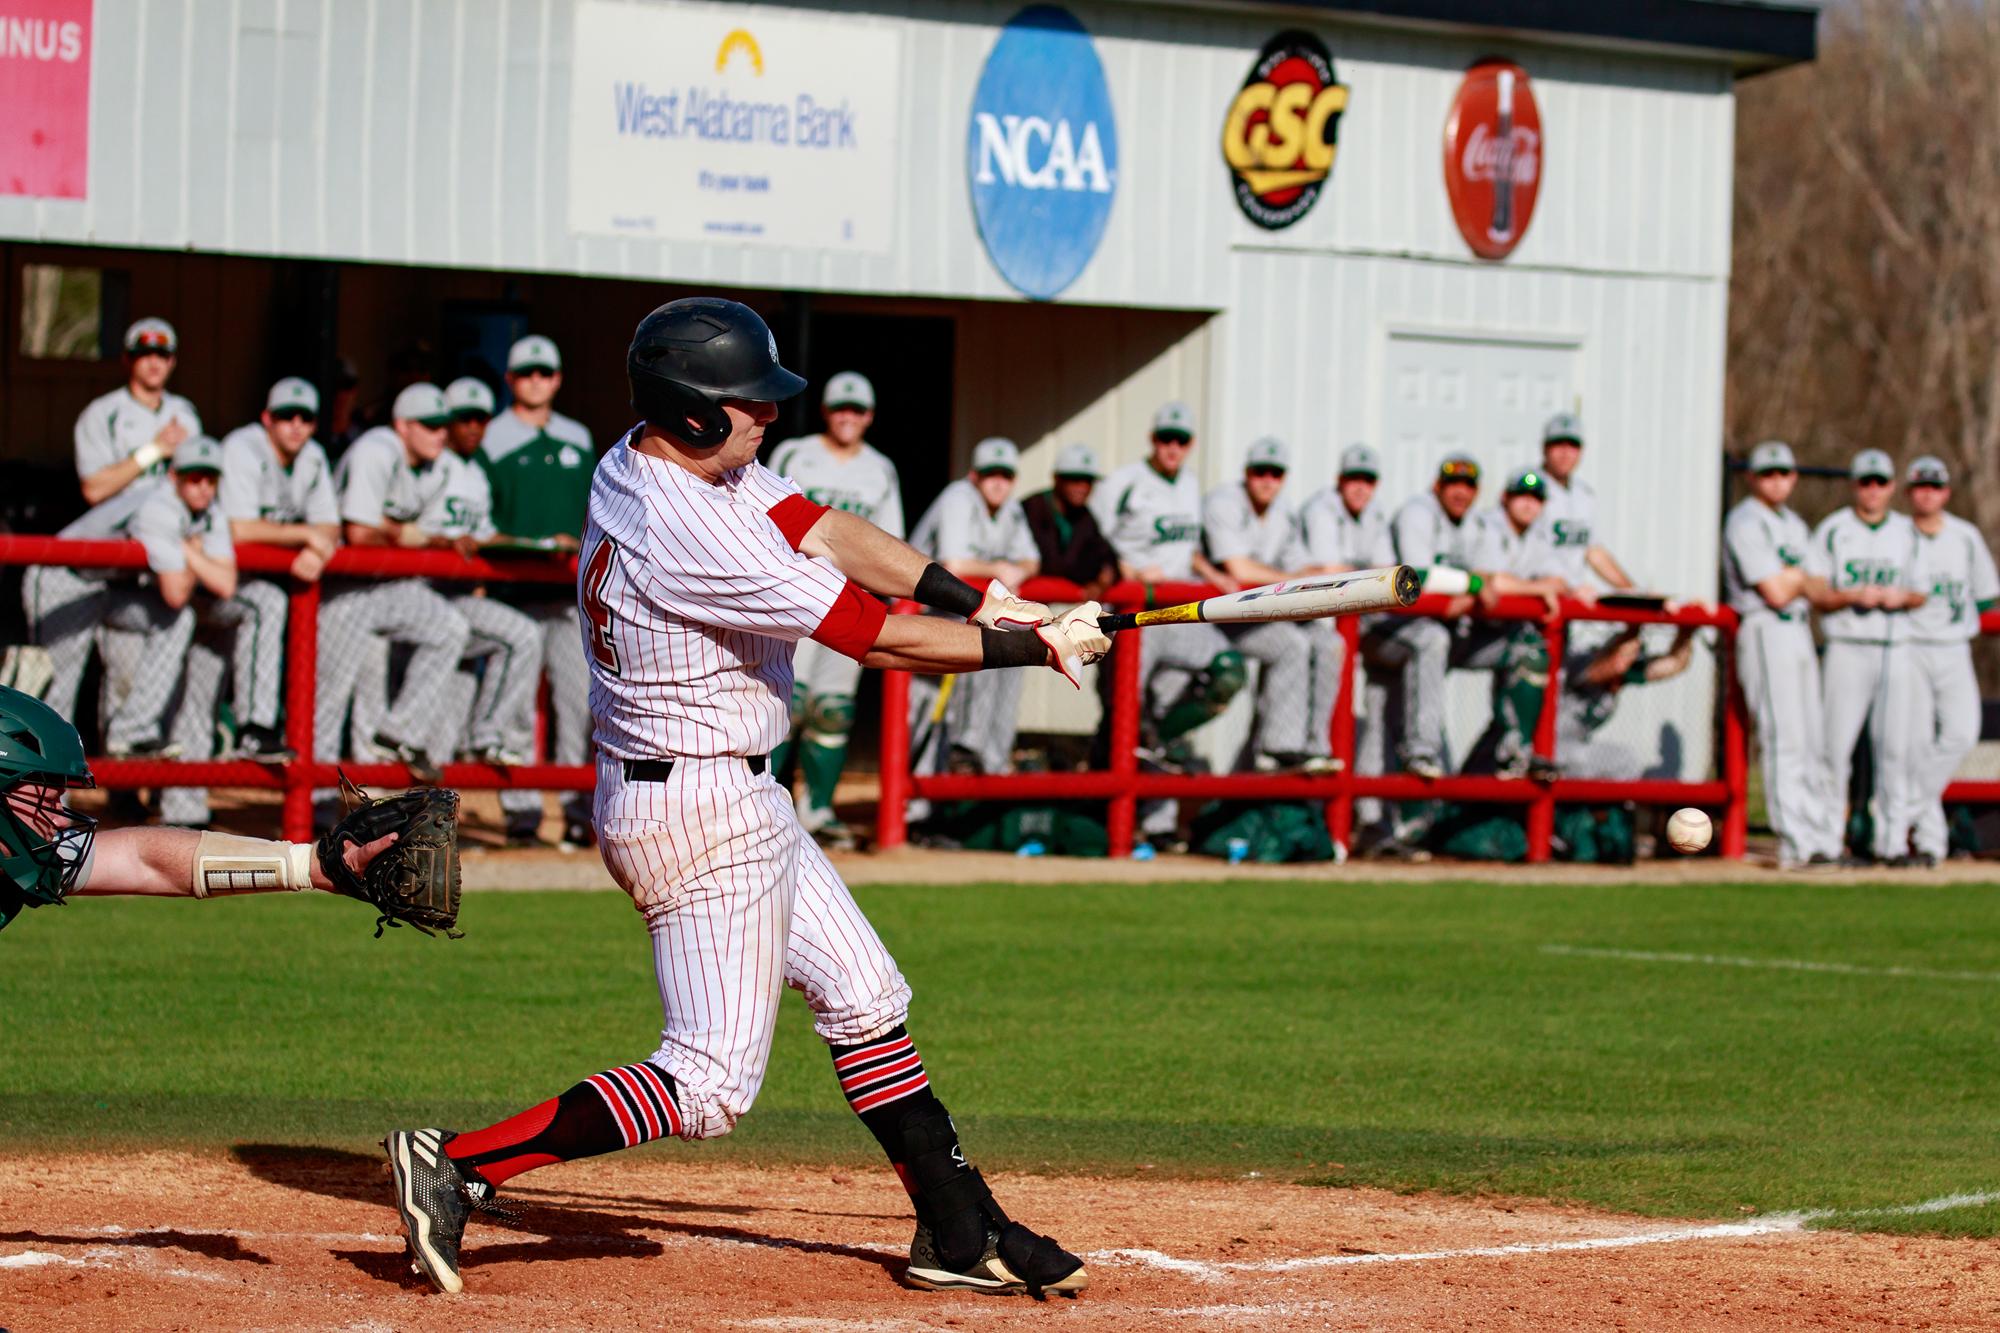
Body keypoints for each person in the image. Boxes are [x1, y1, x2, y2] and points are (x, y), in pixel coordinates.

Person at [382, 297, 1102, 1300]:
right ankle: (459, 1163)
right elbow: (878, 638)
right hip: (697, 814)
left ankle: (952, 1229)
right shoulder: (686, 532)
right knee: (711, 1080)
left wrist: (984, 598)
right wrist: (1034, 643)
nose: (768, 415)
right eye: (747, 401)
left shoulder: (648, 458)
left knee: (864, 995)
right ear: (689, 412)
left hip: (734, 796)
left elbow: (826, 527)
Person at [0, 686, 403, 932]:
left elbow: (145, 859)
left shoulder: (26, 851)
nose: (57, 819)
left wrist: (310, 865)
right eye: (44, 801)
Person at [22, 439, 240, 759]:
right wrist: (194, 551)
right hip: (62, 579)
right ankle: (35, 798)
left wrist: (187, 554)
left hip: (106, 588)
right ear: (173, 477)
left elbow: (225, 584)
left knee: (176, 620)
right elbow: (177, 592)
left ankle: (132, 731)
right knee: (57, 694)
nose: (203, 488)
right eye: (194, 478)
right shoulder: (159, 506)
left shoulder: (212, 512)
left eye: (210, 479)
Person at [400, 376, 548, 842]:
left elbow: (482, 536)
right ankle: (371, 825)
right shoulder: (428, 466)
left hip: (456, 601)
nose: (470, 427)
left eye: (479, 419)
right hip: (408, 596)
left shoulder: (475, 475)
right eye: (461, 418)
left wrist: (540, 543)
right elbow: (400, 529)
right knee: (397, 729)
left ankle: (485, 736)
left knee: (521, 635)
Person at [1364, 457, 1563, 785]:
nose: (1460, 492)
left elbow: (1487, 577)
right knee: (1381, 723)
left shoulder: (1476, 523)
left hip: (1441, 629)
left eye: (1468, 485)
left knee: (1526, 647)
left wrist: (1473, 587)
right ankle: (1421, 751)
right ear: (1437, 486)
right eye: (1453, 483)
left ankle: (1513, 754)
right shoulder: (1418, 511)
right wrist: (1470, 585)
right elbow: (1418, 577)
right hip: (1386, 627)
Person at [768, 372, 905, 849]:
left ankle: (818, 810)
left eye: (858, 409)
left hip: (851, 600)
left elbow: (889, 541)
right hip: (798, 594)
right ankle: (771, 803)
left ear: (869, 416)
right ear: (826, 411)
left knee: (832, 708)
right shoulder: (795, 453)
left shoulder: (879, 468)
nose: (848, 416)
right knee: (787, 703)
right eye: (840, 407)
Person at [315, 385, 471, 795]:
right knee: (329, 705)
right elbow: (360, 533)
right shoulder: (377, 449)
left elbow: (429, 536)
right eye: (429, 426)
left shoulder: (438, 467)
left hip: (386, 590)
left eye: (443, 426)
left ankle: (396, 739)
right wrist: (407, 534)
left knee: (448, 629)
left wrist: (405, 534)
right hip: (342, 592)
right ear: (402, 425)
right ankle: (308, 813)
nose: (440, 434)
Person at [479, 334, 595, 846]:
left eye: (544, 373)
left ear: (558, 379)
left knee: (578, 706)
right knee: (517, 712)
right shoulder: (491, 437)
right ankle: (522, 815)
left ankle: (576, 810)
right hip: (511, 591)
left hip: (566, 594)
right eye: (526, 374)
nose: (535, 381)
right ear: (510, 381)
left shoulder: (577, 435)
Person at [1090, 404, 1246, 783]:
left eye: (1182, 440)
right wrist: (1126, 568)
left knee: (1228, 671)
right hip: (1133, 612)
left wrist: (1212, 573)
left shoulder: (1190, 483)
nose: (1173, 447)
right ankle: (1101, 799)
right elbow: (1091, 536)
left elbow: (1185, 547)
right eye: (1166, 438)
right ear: (1153, 439)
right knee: (1126, 709)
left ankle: (1159, 745)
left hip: (1176, 612)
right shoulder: (1125, 482)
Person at [1721, 441, 1845, 870]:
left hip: (1797, 630)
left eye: (1783, 473)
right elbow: (1773, 591)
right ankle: (1796, 841)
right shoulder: (1745, 521)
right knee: (1784, 738)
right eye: (1767, 473)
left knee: (1812, 738)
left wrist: (1796, 579)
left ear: (1793, 477)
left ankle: (1822, 837)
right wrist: (1799, 579)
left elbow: (1822, 586)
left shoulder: (1793, 522)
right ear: (1753, 478)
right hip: (1764, 628)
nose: (1776, 481)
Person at [1874, 456, 1993, 865]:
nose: (1928, 493)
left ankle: (1900, 812)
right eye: (1921, 486)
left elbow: (1985, 595)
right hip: (1910, 645)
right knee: (1915, 743)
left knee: (1961, 732)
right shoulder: (1897, 536)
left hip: (1953, 646)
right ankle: (1930, 841)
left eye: (1935, 486)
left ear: (1946, 492)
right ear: (1909, 492)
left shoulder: (1964, 536)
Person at [215, 376, 342, 760]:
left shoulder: (313, 455)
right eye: (288, 416)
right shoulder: (243, 446)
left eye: (306, 417)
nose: (297, 425)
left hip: (245, 587)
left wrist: (316, 550)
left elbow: (332, 528)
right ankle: (254, 727)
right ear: (267, 418)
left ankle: (183, 811)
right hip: (207, 584)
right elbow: (238, 529)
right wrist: (305, 536)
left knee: (194, 704)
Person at [1811, 448, 1928, 861]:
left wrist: (1901, 597)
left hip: (1894, 649)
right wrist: (1850, 596)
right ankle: (1826, 840)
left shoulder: (1906, 532)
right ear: (1855, 485)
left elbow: (1921, 590)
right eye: (1866, 482)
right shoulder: (1833, 529)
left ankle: (1892, 843)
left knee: (1895, 750)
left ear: (1892, 487)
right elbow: (1817, 592)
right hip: (1847, 645)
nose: (1873, 490)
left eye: (1880, 483)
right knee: (1833, 748)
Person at [906, 437, 1041, 786]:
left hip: (957, 618)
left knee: (950, 715)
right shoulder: (958, 497)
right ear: (974, 476)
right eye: (990, 474)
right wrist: (1000, 567)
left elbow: (1031, 559)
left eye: (1006, 475)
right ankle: (915, 810)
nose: (998, 482)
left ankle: (954, 794)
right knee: (923, 715)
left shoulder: (1009, 508)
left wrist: (1018, 571)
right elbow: (955, 562)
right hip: (919, 618)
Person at [1200, 437, 1336, 772]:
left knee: (1331, 642)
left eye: (1275, 473)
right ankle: (1278, 747)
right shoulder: (1224, 501)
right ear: (1247, 473)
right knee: (1291, 645)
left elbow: (1303, 568)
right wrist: (1287, 577)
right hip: (1214, 618)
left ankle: (1313, 744)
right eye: (1260, 471)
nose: (1267, 480)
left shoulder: (1283, 511)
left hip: (1258, 611)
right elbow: (1239, 569)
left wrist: (1320, 572)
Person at [74, 318, 202, 507]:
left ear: (172, 361)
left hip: (175, 518)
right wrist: (154, 450)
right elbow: (94, 490)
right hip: (119, 521)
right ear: (127, 359)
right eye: (144, 354)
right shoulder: (103, 413)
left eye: (162, 355)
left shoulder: (185, 412)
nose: (154, 362)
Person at [1531, 412, 1635, 594]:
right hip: (1537, 596)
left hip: (1572, 598)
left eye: (1572, 446)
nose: (1565, 453)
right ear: (1544, 448)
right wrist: (1568, 588)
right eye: (1557, 445)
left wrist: (1633, 591)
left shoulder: (1583, 495)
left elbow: (1593, 551)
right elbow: (1528, 555)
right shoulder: (1529, 488)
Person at [1021, 443, 1117, 596]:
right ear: (1057, 478)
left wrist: (1105, 575)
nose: (1082, 487)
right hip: (1023, 603)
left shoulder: (1085, 515)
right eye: (1074, 479)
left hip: (1063, 605)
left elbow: (1107, 556)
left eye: (1088, 481)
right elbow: (1052, 564)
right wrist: (1087, 570)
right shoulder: (1031, 508)